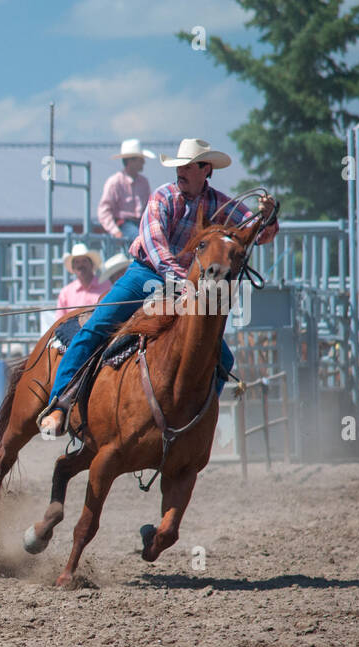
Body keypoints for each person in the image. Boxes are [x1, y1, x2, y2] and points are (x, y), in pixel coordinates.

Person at [39, 137, 279, 437]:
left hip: (188, 286)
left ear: (206, 170)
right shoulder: (162, 197)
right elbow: (156, 248)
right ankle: (59, 404)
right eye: (179, 165)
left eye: (189, 166)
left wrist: (268, 217)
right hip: (147, 275)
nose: (181, 171)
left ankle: (197, 424)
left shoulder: (222, 205)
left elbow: (258, 234)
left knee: (223, 357)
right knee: (97, 325)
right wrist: (185, 282)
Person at [98, 139, 154, 250]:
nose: (143, 162)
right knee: (140, 239)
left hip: (141, 224)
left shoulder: (144, 182)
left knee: (152, 237)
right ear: (130, 161)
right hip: (123, 224)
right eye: (140, 159)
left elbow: (149, 208)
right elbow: (104, 211)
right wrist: (115, 231)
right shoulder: (115, 182)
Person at [55, 243, 111, 318]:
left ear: (91, 264)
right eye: (77, 262)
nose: (80, 265)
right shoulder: (66, 293)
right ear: (73, 267)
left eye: (84, 261)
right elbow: (59, 322)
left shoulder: (107, 287)